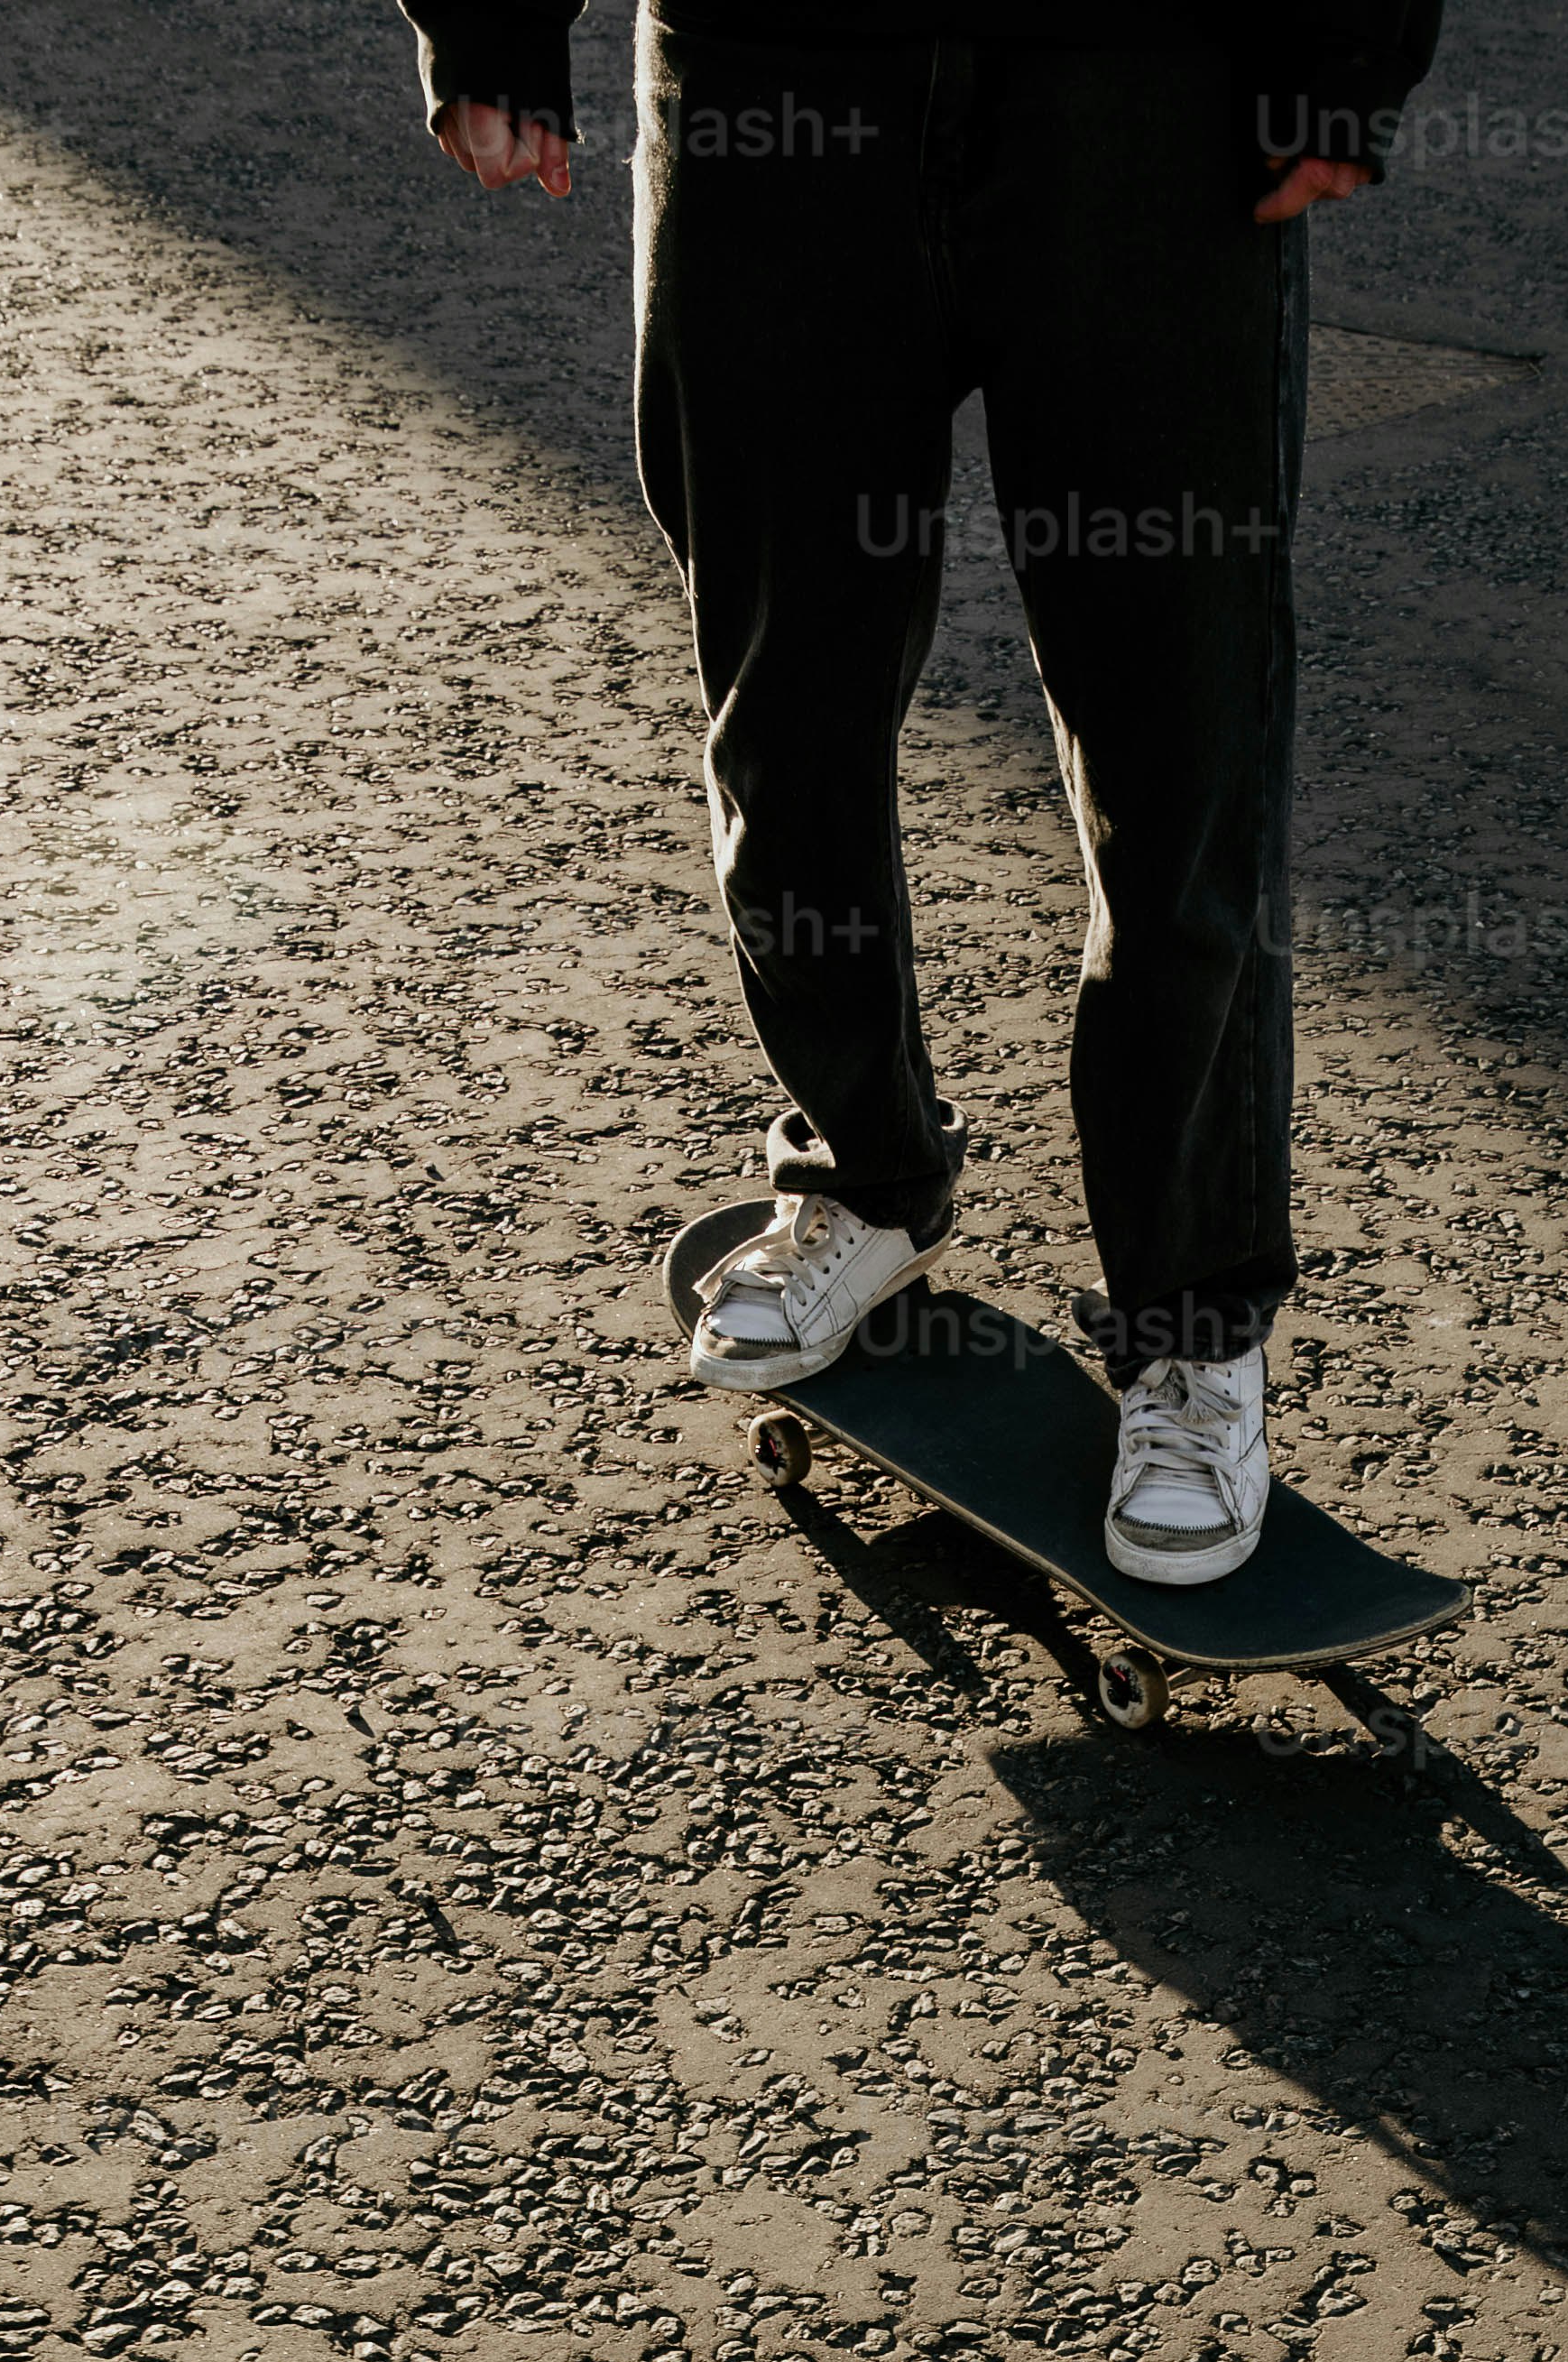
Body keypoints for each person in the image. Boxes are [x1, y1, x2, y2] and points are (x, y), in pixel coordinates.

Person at [401, 0, 1445, 1585]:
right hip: (777, 72)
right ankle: (865, 1174)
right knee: (783, 704)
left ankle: (1191, 1328)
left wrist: (1342, 48)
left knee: (1185, 746)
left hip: (1142, 99)